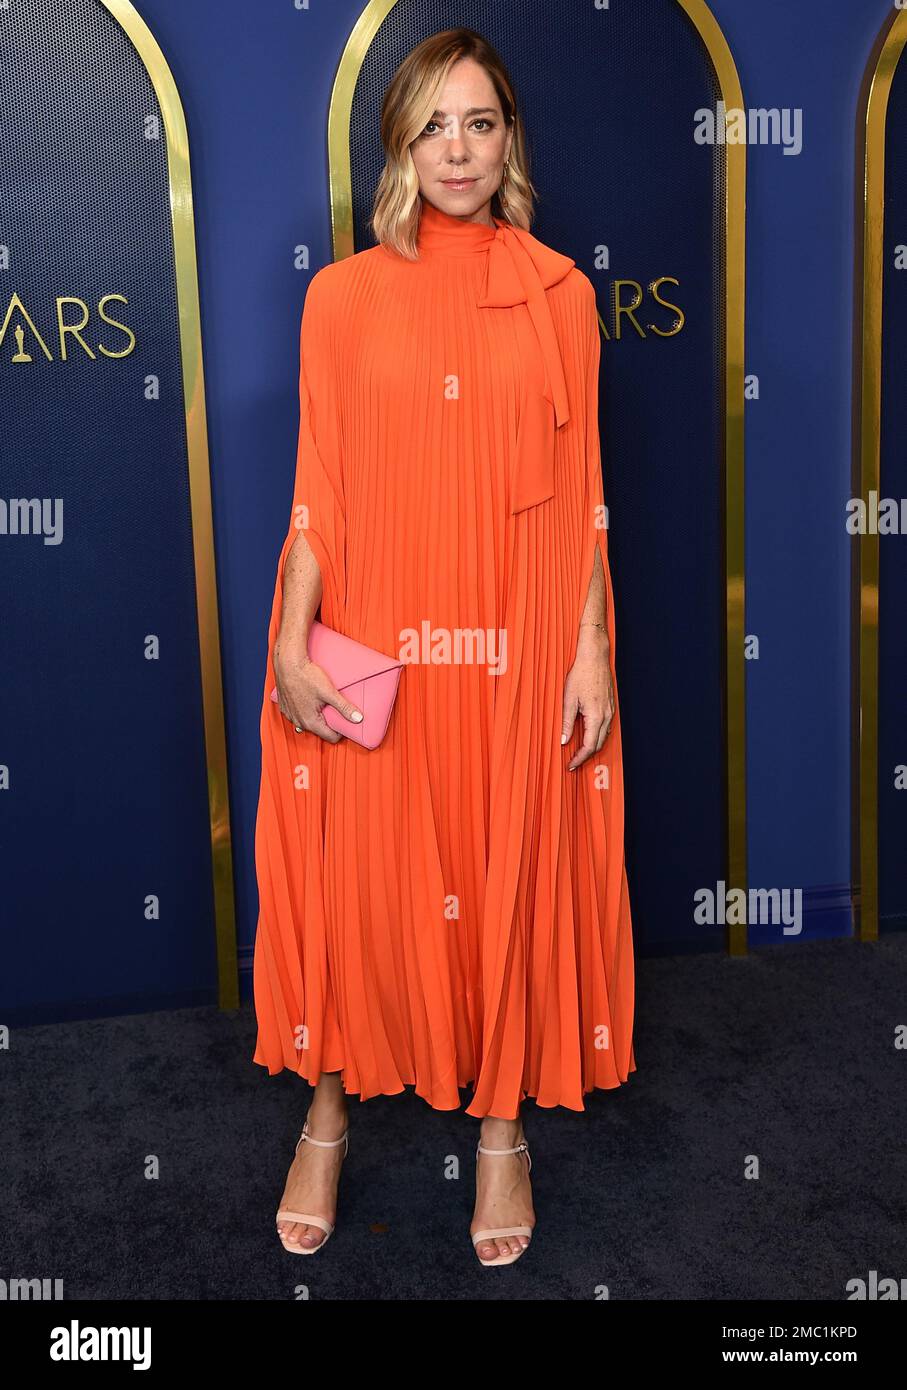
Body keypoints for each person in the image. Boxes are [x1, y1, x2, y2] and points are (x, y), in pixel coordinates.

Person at [253, 26, 635, 1267]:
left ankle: (502, 1130)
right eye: (433, 125)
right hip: (384, 629)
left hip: (521, 630)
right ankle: (327, 1108)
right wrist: (295, 633)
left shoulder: (562, 293)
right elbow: (318, 483)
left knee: (506, 863)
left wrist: (590, 652)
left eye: (479, 122)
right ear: (399, 147)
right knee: (367, 875)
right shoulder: (341, 296)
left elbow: (583, 496)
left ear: (510, 137)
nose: (458, 148)